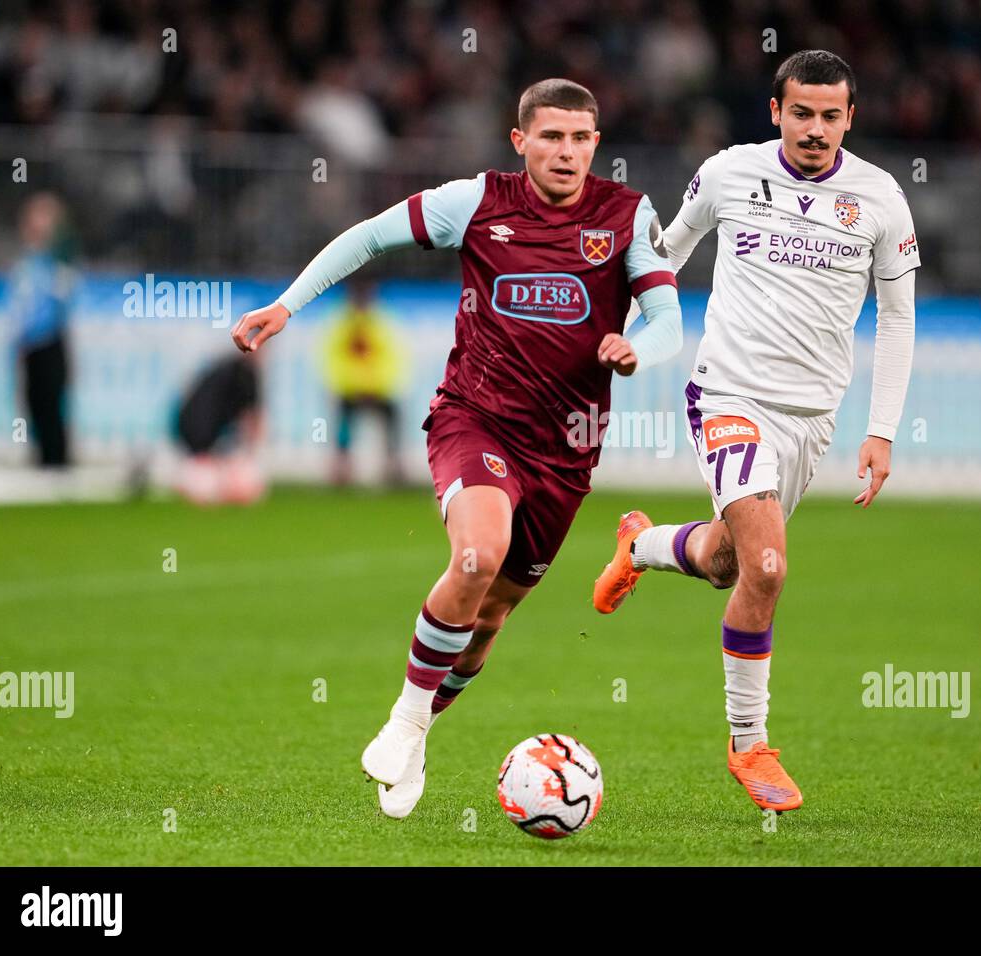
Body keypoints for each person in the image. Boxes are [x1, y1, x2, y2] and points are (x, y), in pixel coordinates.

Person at [230, 78, 683, 819]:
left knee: (488, 622)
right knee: (476, 556)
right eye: (550, 137)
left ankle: (420, 734)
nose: (565, 152)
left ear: (596, 144)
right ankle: (405, 718)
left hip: (566, 452)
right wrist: (287, 304)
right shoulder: (478, 201)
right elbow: (370, 233)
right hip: (476, 419)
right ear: (521, 141)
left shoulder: (628, 217)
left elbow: (667, 316)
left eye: (579, 138)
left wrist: (636, 347)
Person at [592, 50, 919, 812]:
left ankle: (639, 546)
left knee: (727, 564)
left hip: (812, 416)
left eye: (830, 116)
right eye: (801, 113)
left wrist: (882, 430)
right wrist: (613, 332)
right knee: (768, 569)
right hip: (727, 393)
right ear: (776, 112)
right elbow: (666, 255)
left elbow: (899, 316)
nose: (815, 129)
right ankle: (751, 745)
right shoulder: (728, 174)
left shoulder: (880, 199)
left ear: (850, 118)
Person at [7, 193, 75, 468]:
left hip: (50, 342)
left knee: (51, 401)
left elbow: (63, 294)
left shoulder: (58, 259)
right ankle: (41, 456)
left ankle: (56, 458)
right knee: (33, 401)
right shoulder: (25, 262)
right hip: (29, 344)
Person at [321, 277, 408, 486]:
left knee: (393, 417)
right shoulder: (340, 323)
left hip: (378, 391)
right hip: (350, 391)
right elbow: (331, 359)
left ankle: (393, 465)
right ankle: (342, 467)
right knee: (343, 421)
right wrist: (353, 385)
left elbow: (393, 358)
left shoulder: (381, 322)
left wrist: (376, 386)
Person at [174, 353, 265, 505]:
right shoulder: (243, 373)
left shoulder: (229, 369)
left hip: (199, 429)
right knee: (206, 478)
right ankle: (200, 483)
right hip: (199, 431)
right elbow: (252, 417)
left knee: (214, 469)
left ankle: (204, 482)